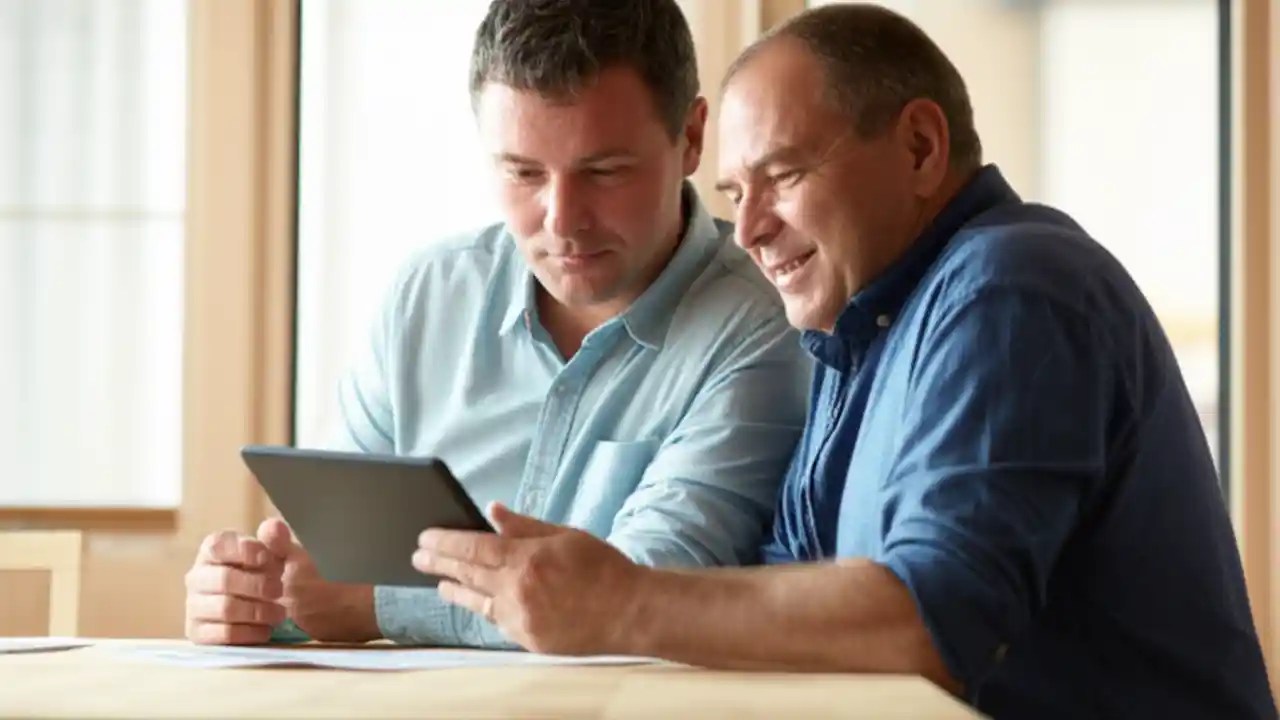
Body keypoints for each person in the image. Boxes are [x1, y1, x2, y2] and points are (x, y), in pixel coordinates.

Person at [412, 4, 1277, 717]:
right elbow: (784, 601)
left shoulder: (1011, 287)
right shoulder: (854, 333)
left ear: (920, 149)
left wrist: (619, 603)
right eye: (735, 194)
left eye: (782, 176)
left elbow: (933, 628)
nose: (747, 231)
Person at [182, 0, 809, 650]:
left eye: (604, 172)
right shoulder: (429, 297)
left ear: (692, 138)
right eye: (523, 172)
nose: (562, 219)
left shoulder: (766, 322)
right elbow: (318, 571)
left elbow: (646, 596)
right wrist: (255, 601)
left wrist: (380, 606)